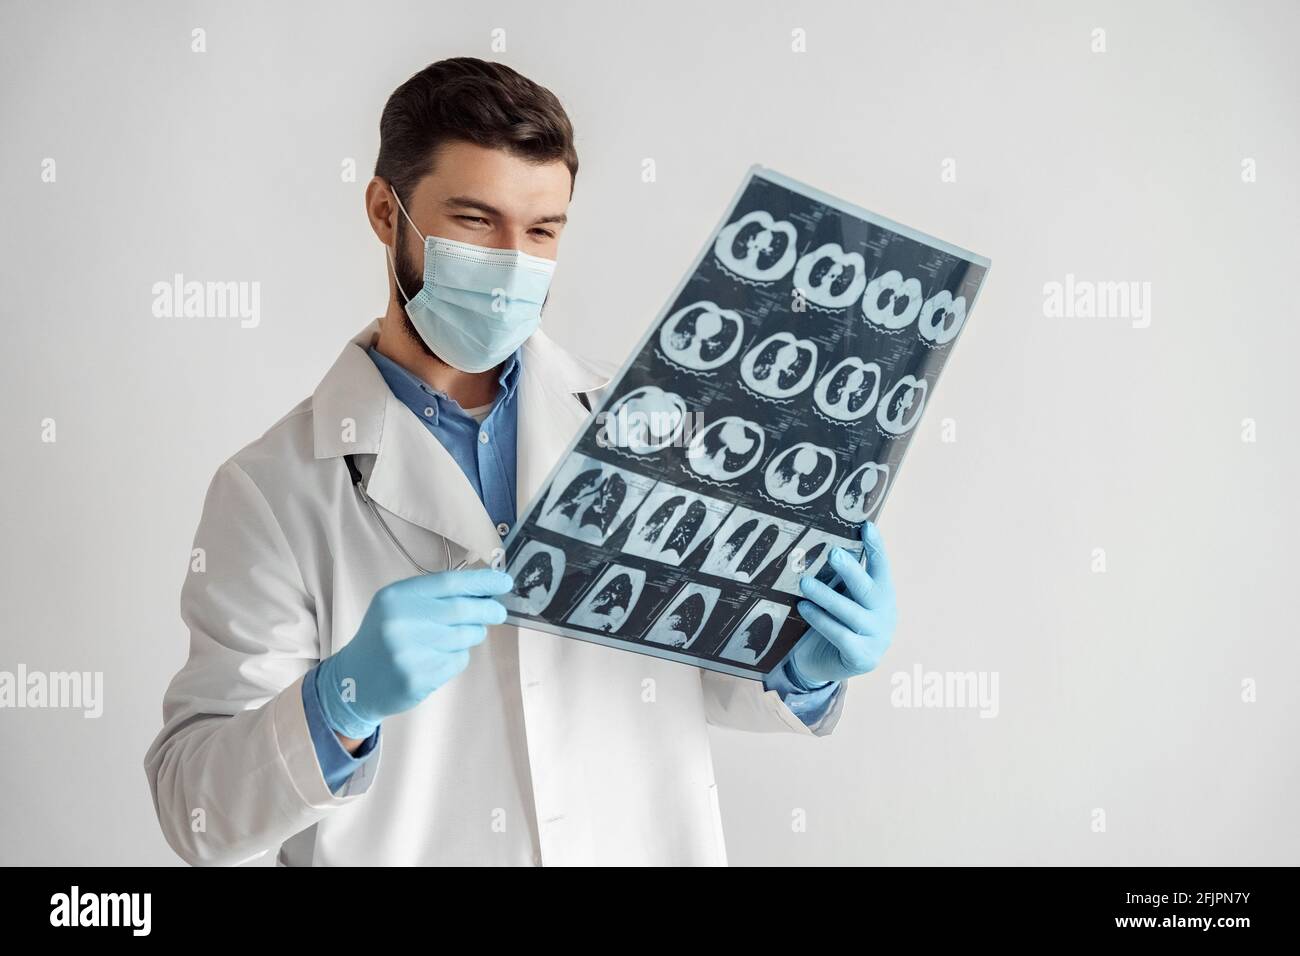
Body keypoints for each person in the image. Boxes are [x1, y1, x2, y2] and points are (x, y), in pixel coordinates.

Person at [143, 57, 898, 866]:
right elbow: (198, 809)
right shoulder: (271, 490)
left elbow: (695, 675)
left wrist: (799, 666)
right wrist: (338, 703)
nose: (512, 261)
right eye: (475, 221)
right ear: (382, 210)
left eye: (541, 231)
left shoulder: (647, 430)